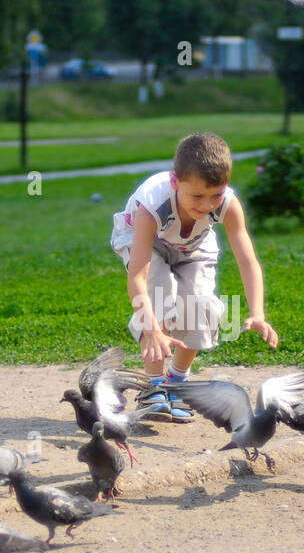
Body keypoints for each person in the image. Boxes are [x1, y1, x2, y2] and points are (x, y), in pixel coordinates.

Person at [109, 132, 278, 421]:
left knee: (201, 304)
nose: (206, 205)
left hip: (193, 245)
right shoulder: (153, 205)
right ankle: (154, 386)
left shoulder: (227, 204)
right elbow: (138, 275)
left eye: (216, 194)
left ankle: (177, 381)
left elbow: (247, 260)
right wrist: (151, 329)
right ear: (176, 182)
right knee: (158, 295)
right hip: (147, 242)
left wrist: (257, 313)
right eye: (197, 195)